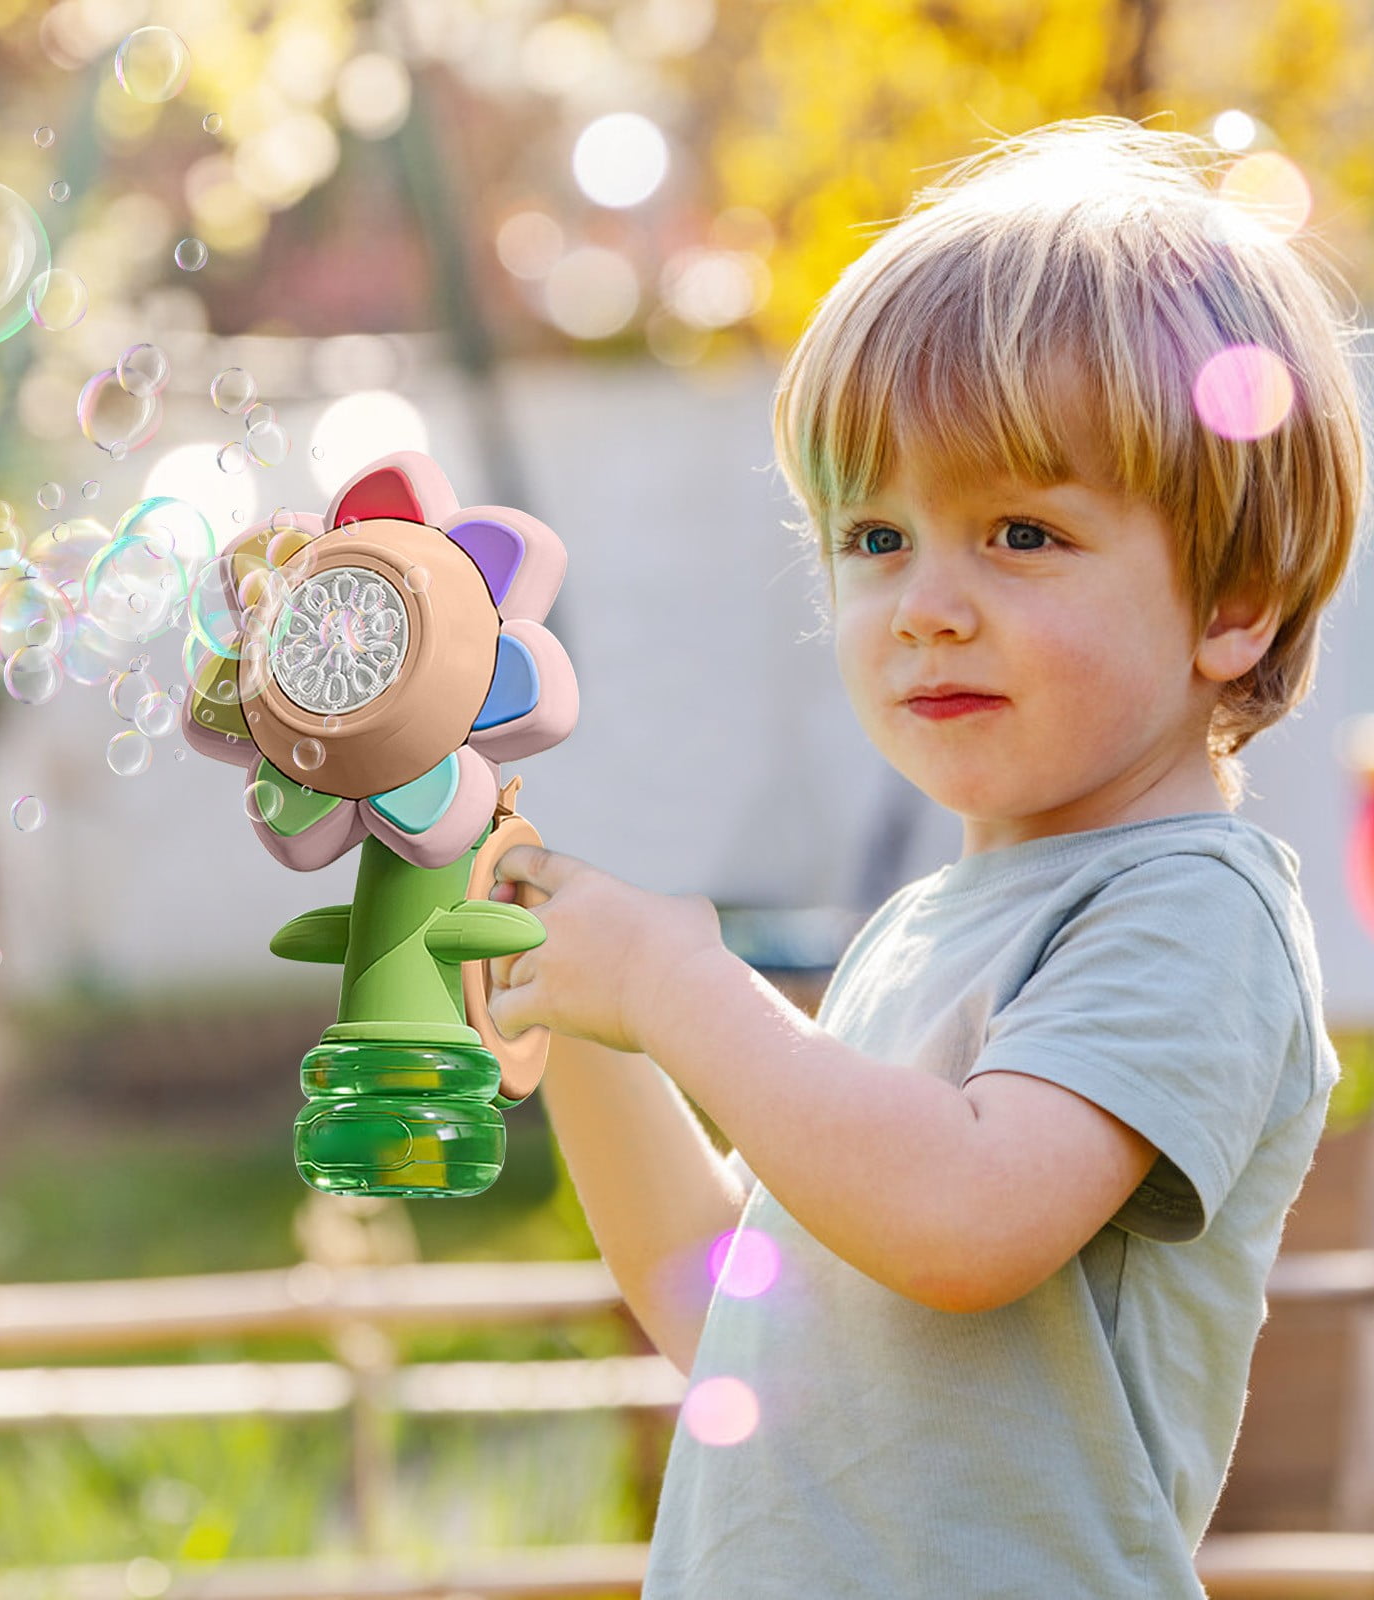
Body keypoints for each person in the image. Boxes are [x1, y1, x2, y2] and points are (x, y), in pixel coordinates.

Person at [486, 114, 1368, 1597]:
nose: (925, 605)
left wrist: (679, 988)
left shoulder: (1193, 913)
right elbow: (723, 1316)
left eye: (1019, 534)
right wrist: (586, 1017)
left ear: (1235, 602)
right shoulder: (922, 935)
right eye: (876, 536)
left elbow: (962, 1222)